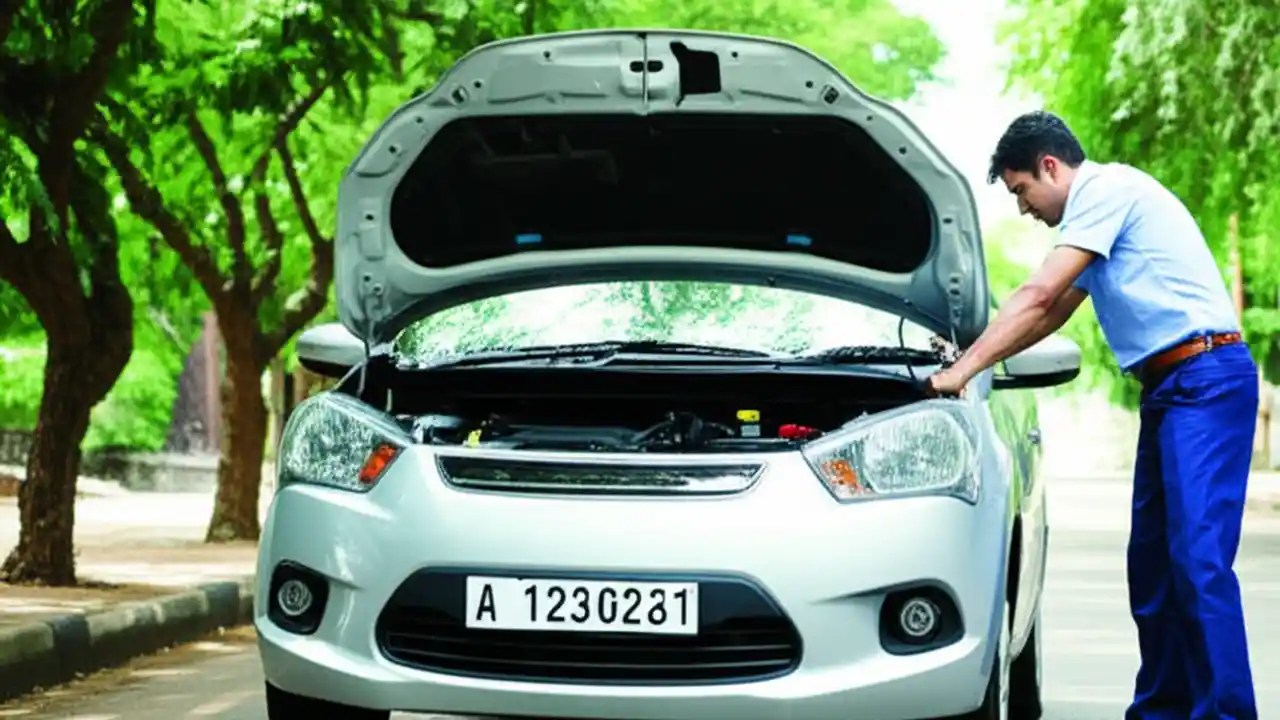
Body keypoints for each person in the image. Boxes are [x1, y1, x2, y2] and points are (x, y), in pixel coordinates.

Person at [927, 110, 1258, 720]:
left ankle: (1227, 714)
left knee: (1197, 559)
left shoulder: (1106, 191)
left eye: (1022, 190)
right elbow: (1051, 314)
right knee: (1153, 566)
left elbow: (1039, 295)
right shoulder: (1097, 219)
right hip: (1171, 389)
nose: (1023, 209)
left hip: (1206, 381)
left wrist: (961, 372)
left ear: (1050, 167)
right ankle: (1160, 710)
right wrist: (968, 352)